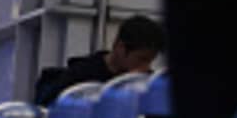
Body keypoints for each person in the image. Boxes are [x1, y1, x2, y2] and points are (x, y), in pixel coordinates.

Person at [33, 16, 166, 105]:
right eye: (141, 59)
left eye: (150, 61)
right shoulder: (81, 76)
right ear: (120, 47)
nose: (145, 68)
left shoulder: (148, 84)